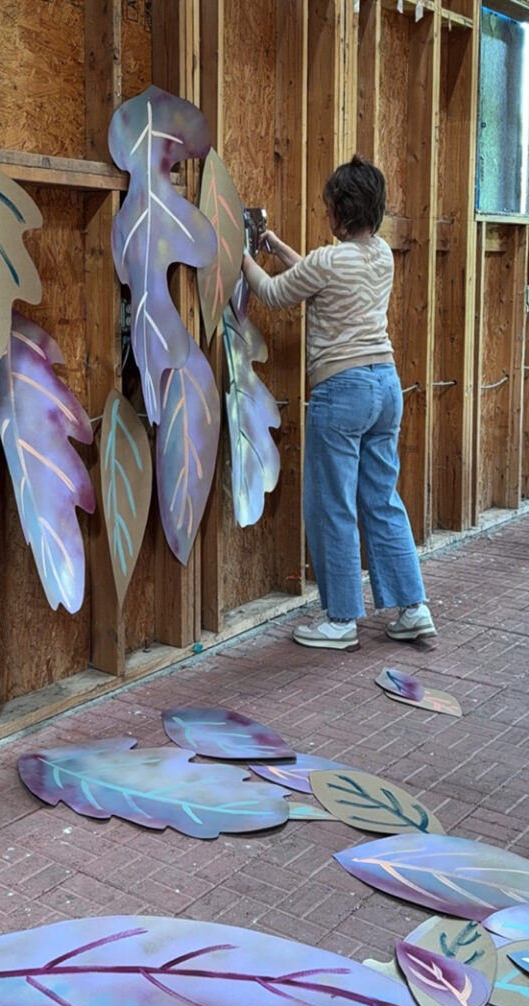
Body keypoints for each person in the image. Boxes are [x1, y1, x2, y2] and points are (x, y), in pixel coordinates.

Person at [242, 155, 435, 651]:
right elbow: (314, 272)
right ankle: (413, 608)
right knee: (381, 499)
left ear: (340, 211)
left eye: (328, 205)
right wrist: (273, 244)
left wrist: (234, 250)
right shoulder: (381, 256)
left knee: (332, 505)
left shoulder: (331, 261)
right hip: (384, 387)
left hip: (341, 390)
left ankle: (341, 620)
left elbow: (273, 293)